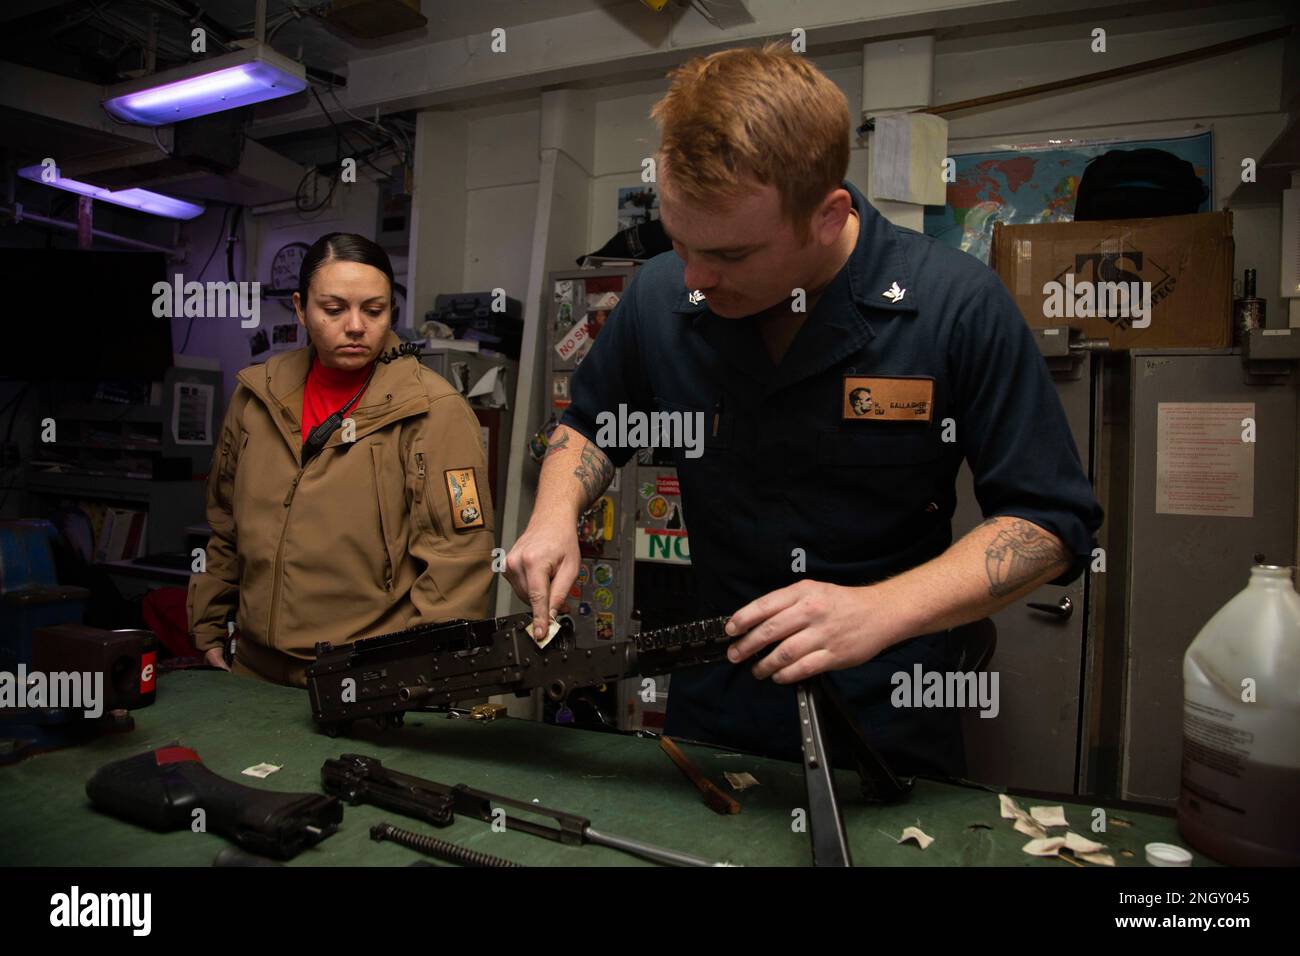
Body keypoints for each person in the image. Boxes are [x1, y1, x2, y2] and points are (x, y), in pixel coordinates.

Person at [505, 44, 1103, 777]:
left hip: (886, 711)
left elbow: (1049, 525)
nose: (693, 278)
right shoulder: (662, 294)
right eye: (678, 241)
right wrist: (553, 513)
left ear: (828, 216)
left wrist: (880, 611)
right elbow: (591, 425)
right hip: (713, 700)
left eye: (729, 255)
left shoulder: (956, 306)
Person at [187, 233, 495, 686]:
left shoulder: (434, 409)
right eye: (333, 310)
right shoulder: (256, 397)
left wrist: (418, 681)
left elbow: (458, 563)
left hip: (363, 678)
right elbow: (225, 528)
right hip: (253, 669)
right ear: (299, 307)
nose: (355, 326)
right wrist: (208, 623)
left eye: (374, 310)